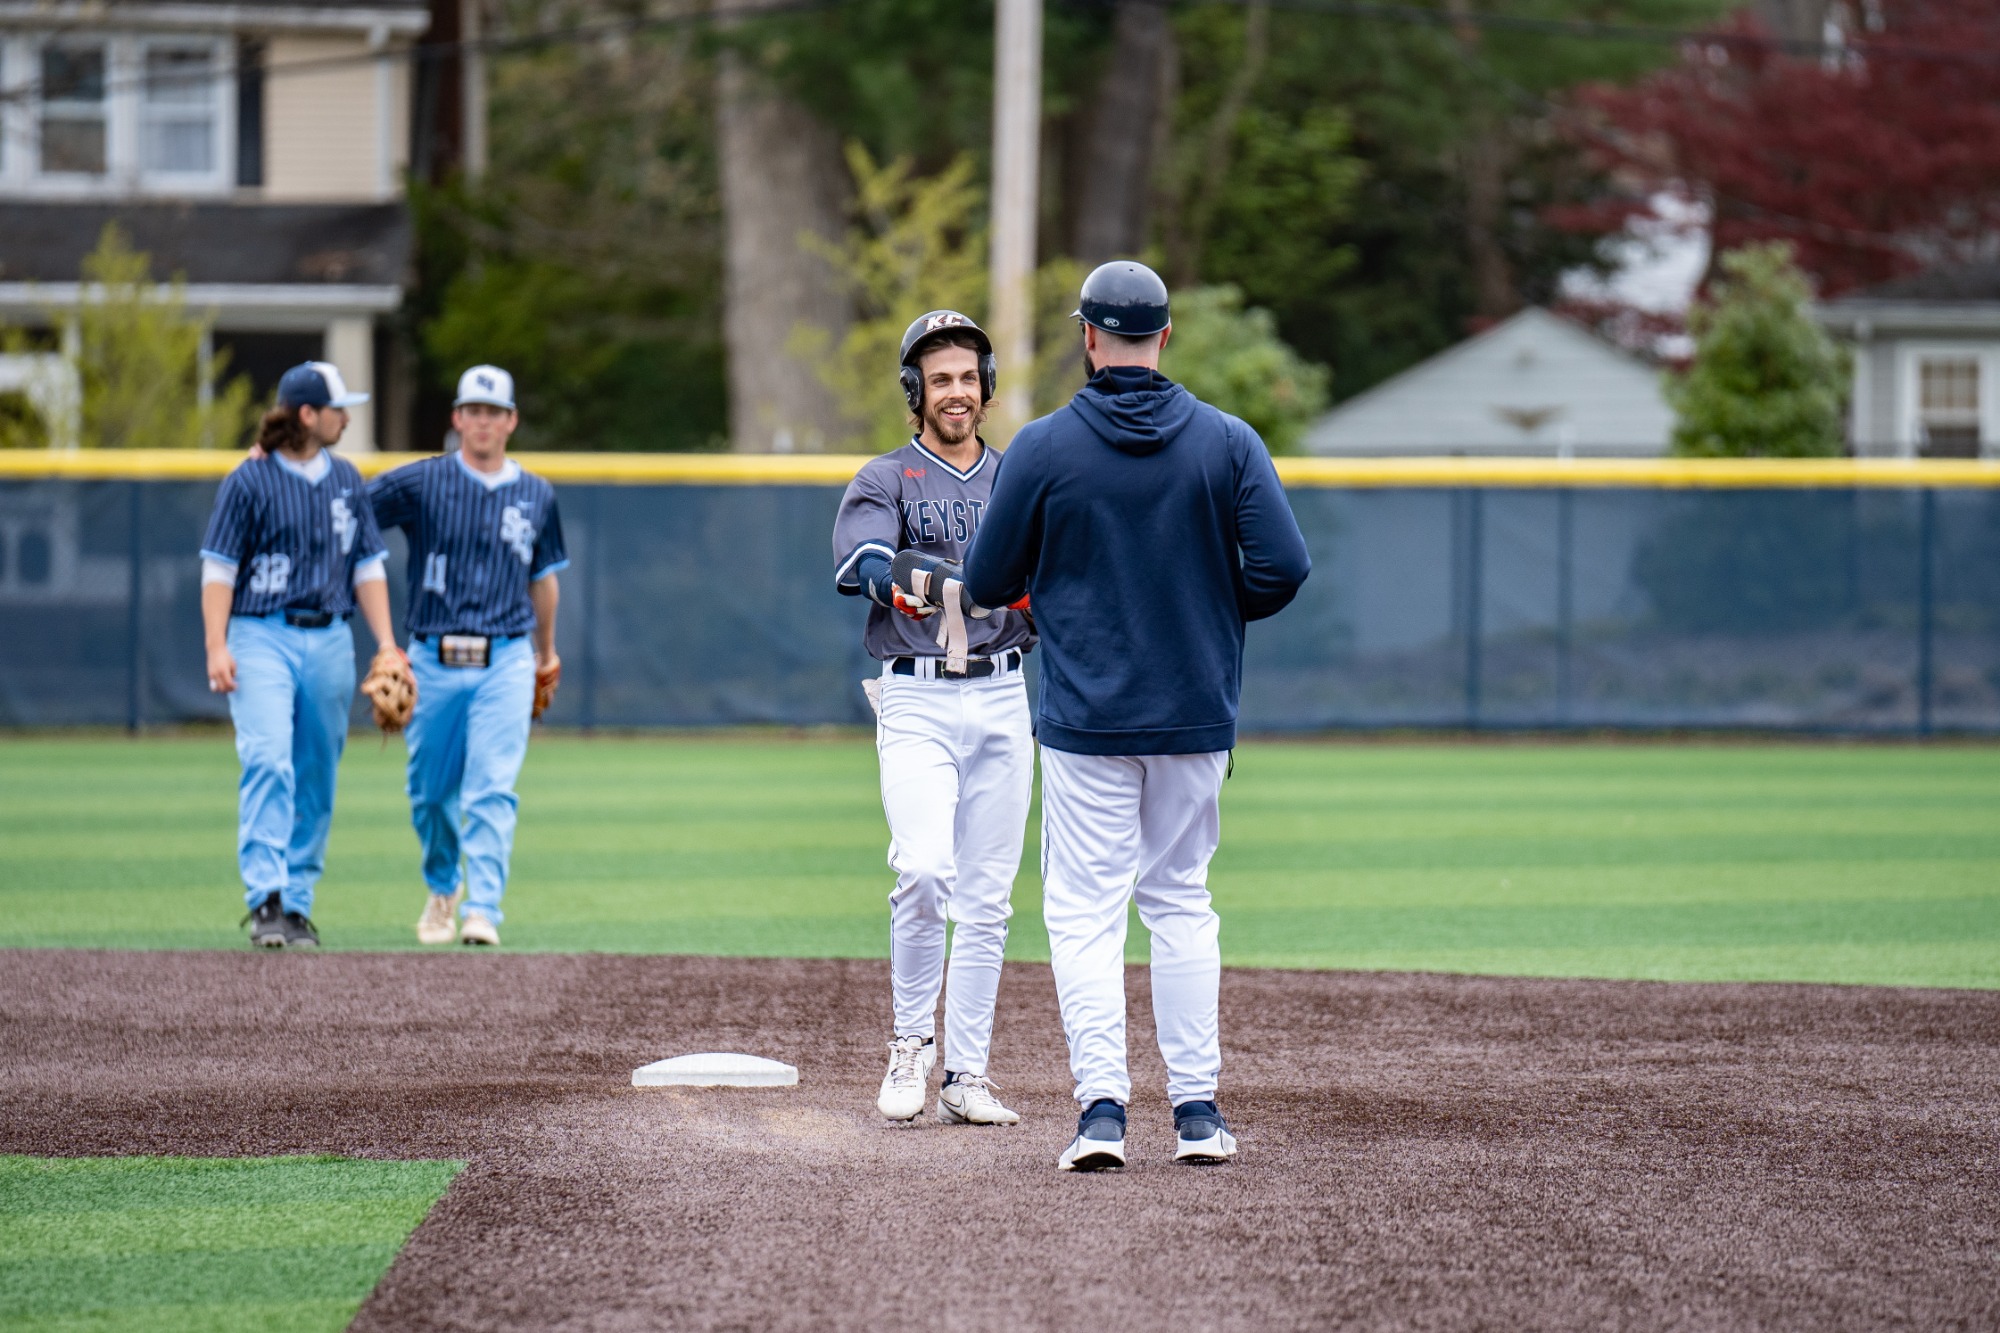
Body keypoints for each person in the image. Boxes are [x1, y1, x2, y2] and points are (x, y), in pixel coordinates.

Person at [965, 262, 1312, 1171]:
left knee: (1084, 914)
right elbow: (1285, 567)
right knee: (1181, 901)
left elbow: (993, 580)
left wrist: (1067, 592)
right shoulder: (1228, 440)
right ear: (1165, 337)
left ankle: (1103, 1116)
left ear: (1087, 337)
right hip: (1195, 710)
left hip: (1088, 717)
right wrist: (1207, 606)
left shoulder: (1042, 447)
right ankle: (1197, 1112)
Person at [831, 311, 1038, 1126]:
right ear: (916, 391)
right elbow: (867, 566)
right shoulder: (886, 477)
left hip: (1003, 690)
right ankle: (910, 1042)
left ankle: (968, 1073)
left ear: (986, 386)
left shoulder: (1019, 476)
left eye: (967, 376)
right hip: (915, 691)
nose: (956, 392)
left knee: (987, 898)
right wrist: (922, 579)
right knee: (922, 869)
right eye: (940, 378)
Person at [201, 361, 398, 949]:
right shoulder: (249, 480)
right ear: (308, 414)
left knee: (317, 773)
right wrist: (216, 644)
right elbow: (218, 568)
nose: (348, 416)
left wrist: (387, 643)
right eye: (340, 407)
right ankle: (266, 898)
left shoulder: (346, 479)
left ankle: (298, 903)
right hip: (260, 632)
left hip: (330, 636)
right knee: (268, 760)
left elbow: (368, 567)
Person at [368, 365, 566, 948]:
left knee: (490, 788)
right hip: (430, 656)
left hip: (506, 655)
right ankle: (442, 886)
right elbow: (344, 505)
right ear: (457, 419)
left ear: (511, 421)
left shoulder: (536, 493)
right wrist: (277, 456)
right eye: (472, 411)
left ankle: (483, 908)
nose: (482, 421)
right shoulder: (421, 482)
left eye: (493, 412)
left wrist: (546, 654)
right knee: (429, 794)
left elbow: (545, 580)